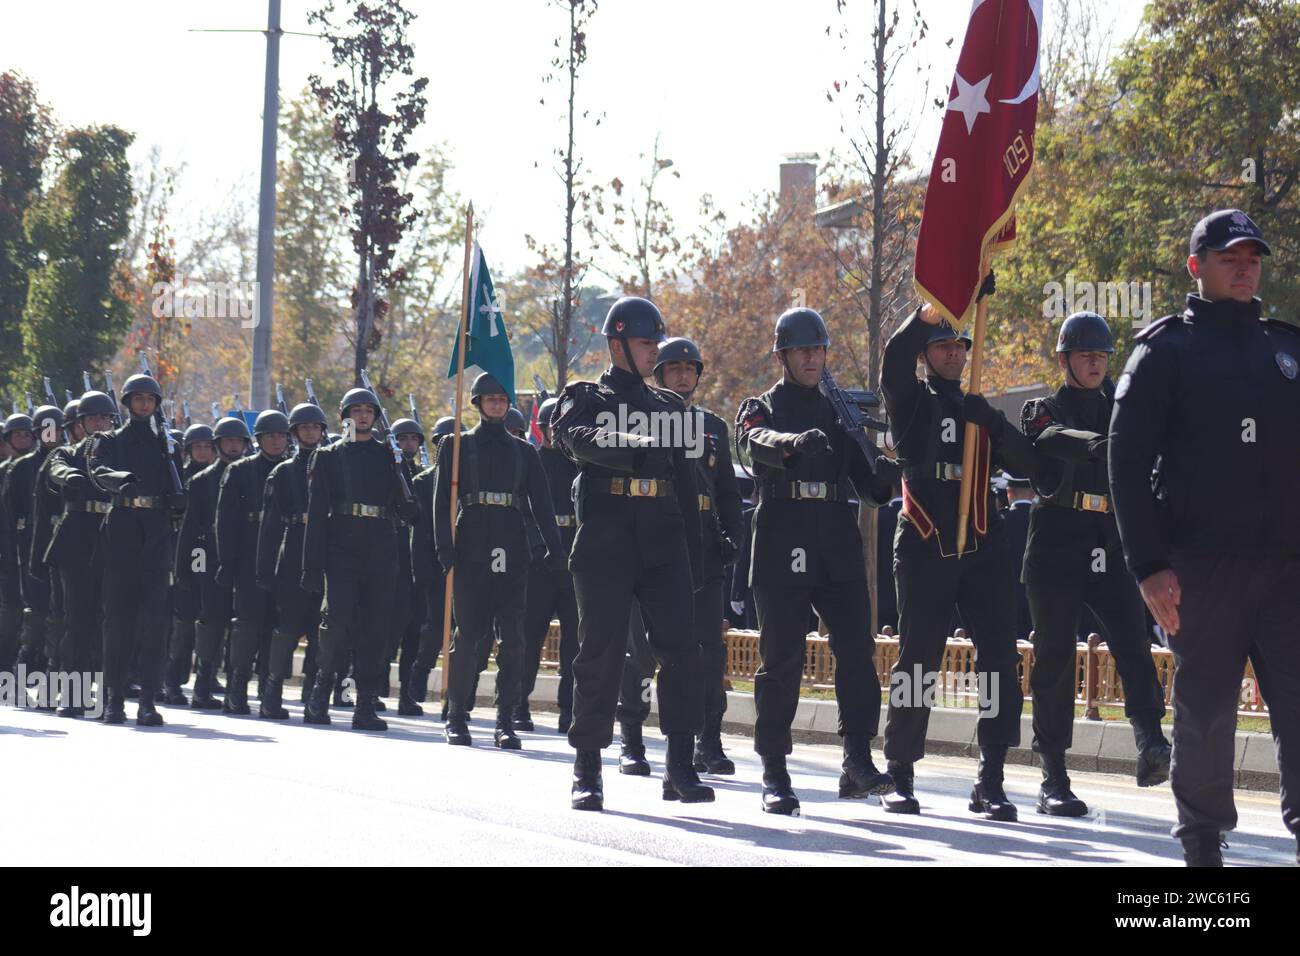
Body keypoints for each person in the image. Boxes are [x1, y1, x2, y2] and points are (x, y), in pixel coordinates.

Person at [1109, 209, 1300, 866]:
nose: (1245, 268)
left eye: (1252, 258)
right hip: (1200, 570)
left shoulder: (1288, 349)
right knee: (1207, 716)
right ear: (1197, 267)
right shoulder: (1165, 353)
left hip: (1287, 570)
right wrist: (1147, 564)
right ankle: (1202, 850)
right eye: (1230, 258)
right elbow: (1125, 465)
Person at [878, 293, 1039, 820]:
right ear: (927, 352)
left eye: (959, 344)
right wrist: (919, 318)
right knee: (918, 662)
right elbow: (892, 360)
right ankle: (899, 771)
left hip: (982, 541)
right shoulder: (911, 399)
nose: (953, 352)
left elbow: (1030, 463)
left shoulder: (977, 406)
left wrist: (990, 420)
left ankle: (990, 775)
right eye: (942, 344)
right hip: (927, 539)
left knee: (998, 661)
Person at [735, 307, 897, 814]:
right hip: (784, 536)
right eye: (802, 350)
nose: (812, 358)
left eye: (818, 349)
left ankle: (856, 761)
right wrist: (790, 444)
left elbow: (868, 488)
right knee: (781, 658)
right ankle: (775, 770)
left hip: (836, 540)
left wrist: (885, 476)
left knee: (857, 651)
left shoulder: (839, 411)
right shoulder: (760, 406)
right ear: (783, 355)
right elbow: (752, 442)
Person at [552, 295, 710, 810]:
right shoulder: (586, 396)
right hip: (607, 537)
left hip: (663, 539)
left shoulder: (671, 407)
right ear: (617, 343)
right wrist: (634, 443)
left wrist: (698, 552)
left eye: (655, 344)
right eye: (645, 343)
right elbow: (575, 439)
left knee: (682, 654)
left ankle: (680, 767)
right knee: (599, 653)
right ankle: (588, 767)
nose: (653, 353)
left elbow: (687, 486)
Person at [1020, 312, 1172, 818]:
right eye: (1084, 354)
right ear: (1063, 359)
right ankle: (1053, 776)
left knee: (1133, 641)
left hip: (1110, 537)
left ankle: (1151, 741)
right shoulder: (1043, 407)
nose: (1094, 362)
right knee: (1055, 659)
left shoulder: (1125, 410)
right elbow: (1050, 438)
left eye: (1102, 355)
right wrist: (1104, 447)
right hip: (1057, 542)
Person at [434, 372, 563, 749]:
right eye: (489, 399)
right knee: (469, 636)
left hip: (512, 547)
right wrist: (444, 548)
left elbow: (541, 504)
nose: (496, 404)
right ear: (476, 403)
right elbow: (442, 502)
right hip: (471, 545)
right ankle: (457, 714)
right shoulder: (456, 447)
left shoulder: (524, 451)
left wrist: (556, 551)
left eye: (502, 399)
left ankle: (505, 720)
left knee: (514, 642)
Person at [652, 336, 744, 774]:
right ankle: (655, 738)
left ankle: (710, 738)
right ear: (660, 375)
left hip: (705, 547)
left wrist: (733, 536)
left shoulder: (713, 427)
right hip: (665, 541)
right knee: (661, 649)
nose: (683, 375)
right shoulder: (645, 420)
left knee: (711, 649)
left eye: (690, 369)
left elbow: (727, 489)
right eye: (674, 369)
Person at [301, 387, 416, 731]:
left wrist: (406, 490)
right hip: (342, 549)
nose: (363, 416)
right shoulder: (329, 457)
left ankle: (365, 702)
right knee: (336, 623)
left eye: (369, 411)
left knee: (375, 628)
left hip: (380, 548)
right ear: (345, 416)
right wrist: (311, 565)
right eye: (357, 410)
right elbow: (318, 515)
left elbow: (408, 511)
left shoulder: (389, 456)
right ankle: (322, 689)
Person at [87, 374, 186, 725]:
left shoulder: (167, 444)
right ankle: (114, 698)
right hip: (123, 528)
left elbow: (178, 485)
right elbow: (96, 470)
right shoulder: (109, 440)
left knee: (155, 621)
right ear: (127, 403)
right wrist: (120, 480)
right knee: (119, 620)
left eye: (150, 399)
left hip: (157, 533)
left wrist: (178, 496)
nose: (144, 404)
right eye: (138, 398)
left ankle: (147, 698)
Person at [215, 409, 290, 715]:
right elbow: (226, 521)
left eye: (281, 435)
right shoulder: (240, 471)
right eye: (270, 435)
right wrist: (227, 562)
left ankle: (271, 692)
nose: (276, 440)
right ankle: (237, 687)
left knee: (279, 628)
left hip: (283, 559)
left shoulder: (293, 470)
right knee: (247, 626)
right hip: (248, 557)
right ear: (258, 439)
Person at [256, 402, 328, 719]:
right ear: (294, 434)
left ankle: (314, 695)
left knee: (321, 628)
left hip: (326, 551)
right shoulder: (283, 472)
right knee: (287, 627)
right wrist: (265, 567)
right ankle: (272, 690)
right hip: (294, 548)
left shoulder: (333, 465)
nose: (310, 433)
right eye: (304, 428)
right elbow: (271, 526)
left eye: (315, 427)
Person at [175, 416, 251, 709]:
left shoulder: (252, 473)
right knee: (211, 621)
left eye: (238, 441)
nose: (233, 446)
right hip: (208, 557)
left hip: (244, 557)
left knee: (241, 623)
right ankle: (202, 683)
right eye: (228, 441)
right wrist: (187, 571)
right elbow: (190, 530)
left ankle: (235, 685)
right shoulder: (201, 481)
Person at [517, 395, 579, 733]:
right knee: (529, 638)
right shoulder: (531, 461)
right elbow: (524, 511)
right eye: (550, 426)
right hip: (539, 563)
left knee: (575, 644)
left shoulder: (582, 465)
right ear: (541, 429)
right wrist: (539, 547)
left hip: (574, 560)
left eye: (562, 425)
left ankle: (568, 710)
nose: (556, 431)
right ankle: (518, 704)